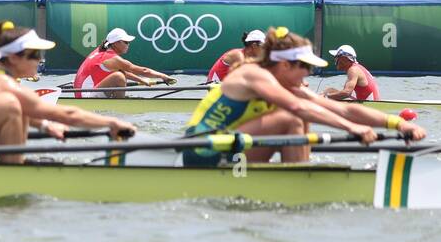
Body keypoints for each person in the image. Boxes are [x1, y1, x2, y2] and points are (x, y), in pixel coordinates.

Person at [180, 27, 424, 167]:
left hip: (232, 149)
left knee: (300, 117)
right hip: (202, 150)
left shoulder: (283, 82)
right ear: (285, 65)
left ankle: (295, 169)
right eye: (305, 68)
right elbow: (297, 107)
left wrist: (397, 123)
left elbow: (344, 109)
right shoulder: (252, 74)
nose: (307, 75)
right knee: (292, 117)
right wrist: (354, 129)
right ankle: (298, 175)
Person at [0, 22, 137, 164]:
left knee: (16, 105)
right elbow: (64, 114)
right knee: (10, 103)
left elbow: (37, 112)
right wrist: (112, 123)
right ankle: (16, 170)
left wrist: (43, 126)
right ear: (13, 58)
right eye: (33, 55)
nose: (39, 60)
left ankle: (15, 165)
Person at [73, 27, 175, 97]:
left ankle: (118, 100)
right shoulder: (112, 58)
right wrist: (163, 76)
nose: (128, 45)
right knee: (118, 77)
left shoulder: (101, 51)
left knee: (119, 74)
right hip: (85, 96)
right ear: (116, 43)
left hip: (82, 92)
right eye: (126, 42)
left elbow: (124, 72)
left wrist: (141, 80)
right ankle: (121, 105)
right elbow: (143, 70)